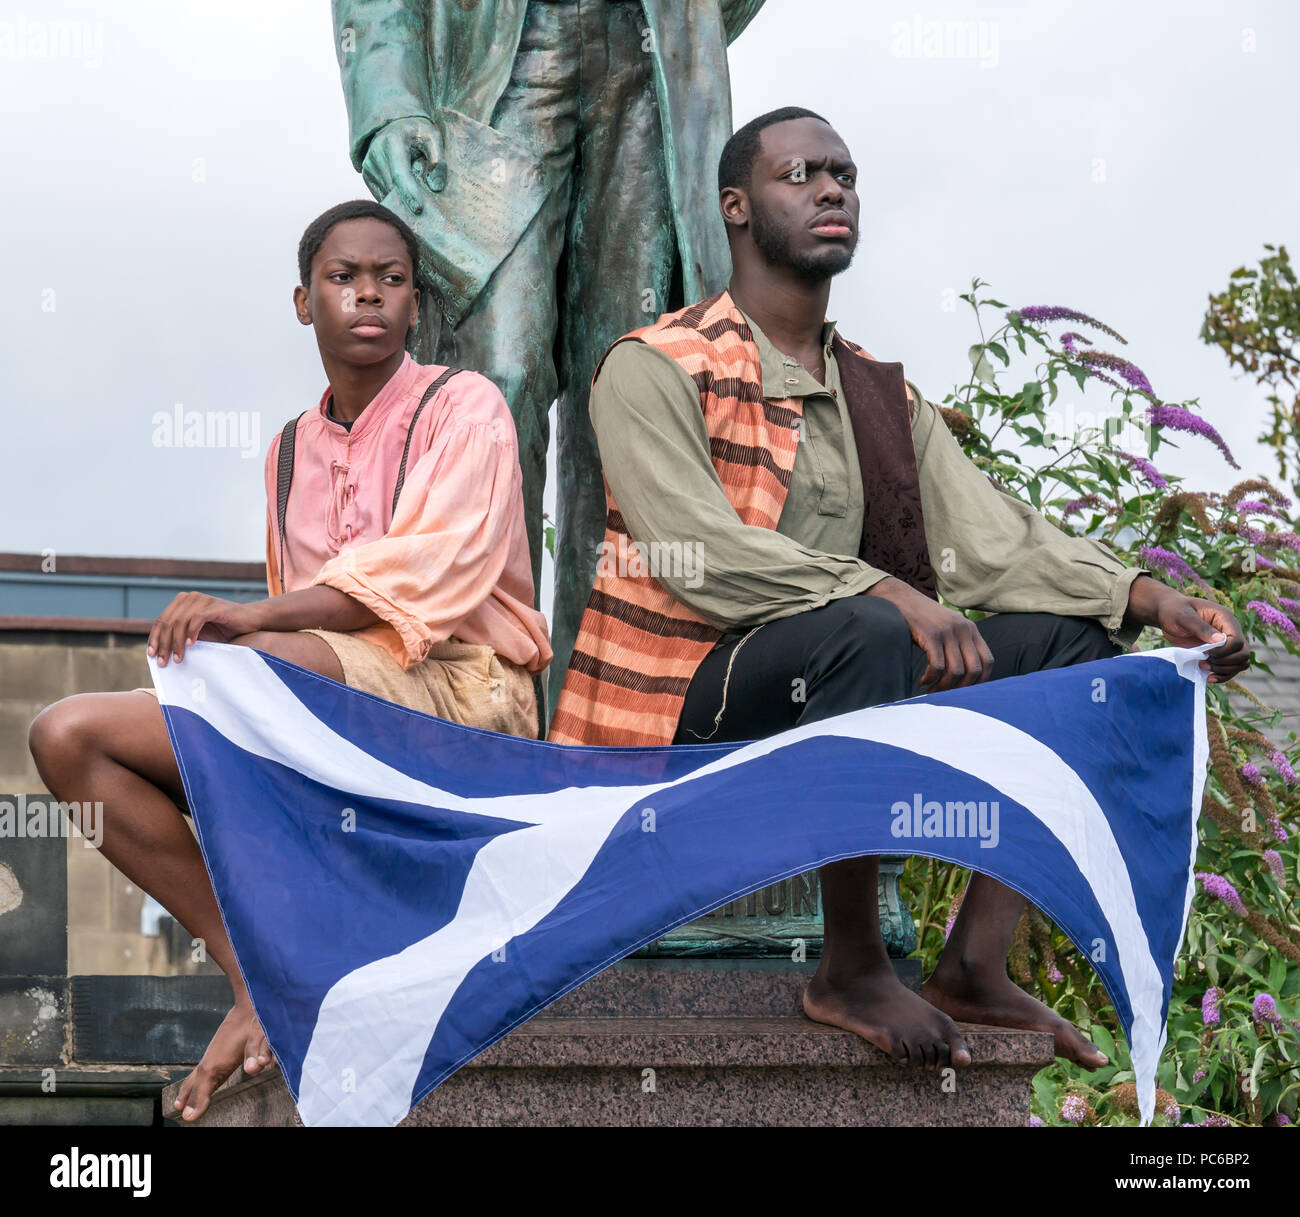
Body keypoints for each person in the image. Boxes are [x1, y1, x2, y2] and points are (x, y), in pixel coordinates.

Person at [550, 108, 1251, 1069]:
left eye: (844, 174)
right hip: (681, 701)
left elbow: (994, 539)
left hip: (840, 675)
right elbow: (694, 555)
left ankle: (973, 964)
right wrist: (885, 590)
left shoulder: (881, 395)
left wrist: (1145, 597)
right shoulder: (655, 363)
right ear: (736, 207)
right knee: (872, 631)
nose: (831, 189)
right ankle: (849, 968)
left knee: (1080, 652)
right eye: (801, 174)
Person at [28, 199, 551, 1122]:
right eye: (344, 277)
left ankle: (291, 950)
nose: (368, 295)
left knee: (255, 661)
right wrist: (247, 638)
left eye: (391, 279)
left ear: (416, 304)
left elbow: (418, 579)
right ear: (305, 302)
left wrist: (252, 621)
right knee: (68, 735)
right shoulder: (284, 455)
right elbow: (297, 639)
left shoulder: (465, 406)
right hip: (317, 692)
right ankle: (254, 973)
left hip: (467, 695)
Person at [332, 0, 768, 707]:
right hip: (503, 59)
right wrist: (389, 99)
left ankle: (607, 713)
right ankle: (486, 700)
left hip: (648, 55)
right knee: (497, 380)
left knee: (633, 395)